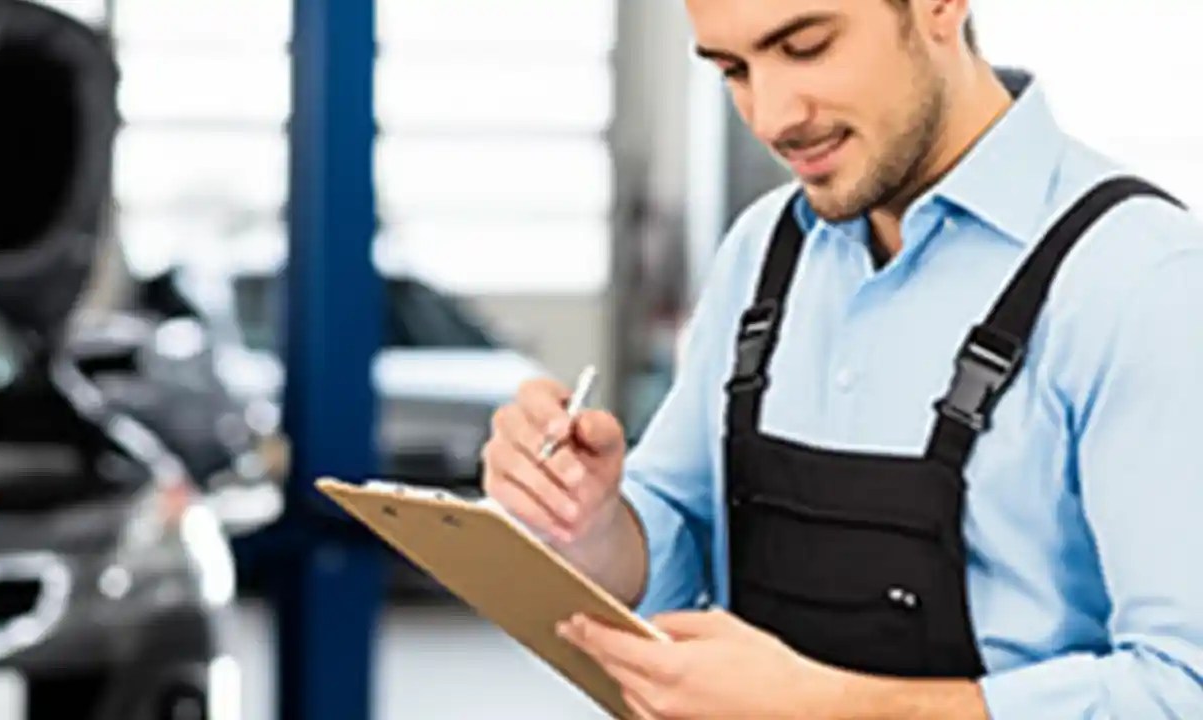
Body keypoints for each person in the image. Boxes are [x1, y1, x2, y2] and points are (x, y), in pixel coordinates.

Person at [481, 0, 1203, 717]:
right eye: (734, 70)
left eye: (806, 48)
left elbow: (1184, 688)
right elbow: (682, 530)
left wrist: (822, 708)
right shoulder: (764, 251)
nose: (771, 118)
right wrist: (592, 519)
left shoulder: (1141, 280)